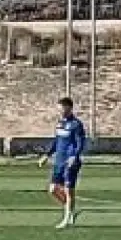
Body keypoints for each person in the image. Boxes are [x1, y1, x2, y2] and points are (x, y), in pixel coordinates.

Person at [45, 97, 87, 229]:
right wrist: (47, 155)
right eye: (59, 108)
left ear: (69, 108)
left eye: (62, 107)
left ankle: (67, 218)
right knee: (53, 189)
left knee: (69, 190)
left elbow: (80, 142)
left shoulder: (76, 124)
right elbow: (56, 141)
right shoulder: (60, 123)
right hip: (59, 161)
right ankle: (70, 210)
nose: (60, 110)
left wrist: (74, 156)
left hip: (70, 162)